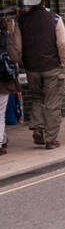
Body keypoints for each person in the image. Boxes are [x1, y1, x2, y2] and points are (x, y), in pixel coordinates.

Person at [19, 0, 65, 149]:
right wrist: (62, 60)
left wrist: (23, 63)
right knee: (52, 103)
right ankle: (50, 139)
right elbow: (63, 43)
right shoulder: (54, 18)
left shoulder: (21, 21)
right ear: (44, 2)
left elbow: (17, 46)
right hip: (52, 67)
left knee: (37, 98)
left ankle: (38, 131)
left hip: (31, 69)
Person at [0, 12, 23, 154]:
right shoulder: (5, 39)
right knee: (0, 113)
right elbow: (14, 57)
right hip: (3, 82)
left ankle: (2, 138)